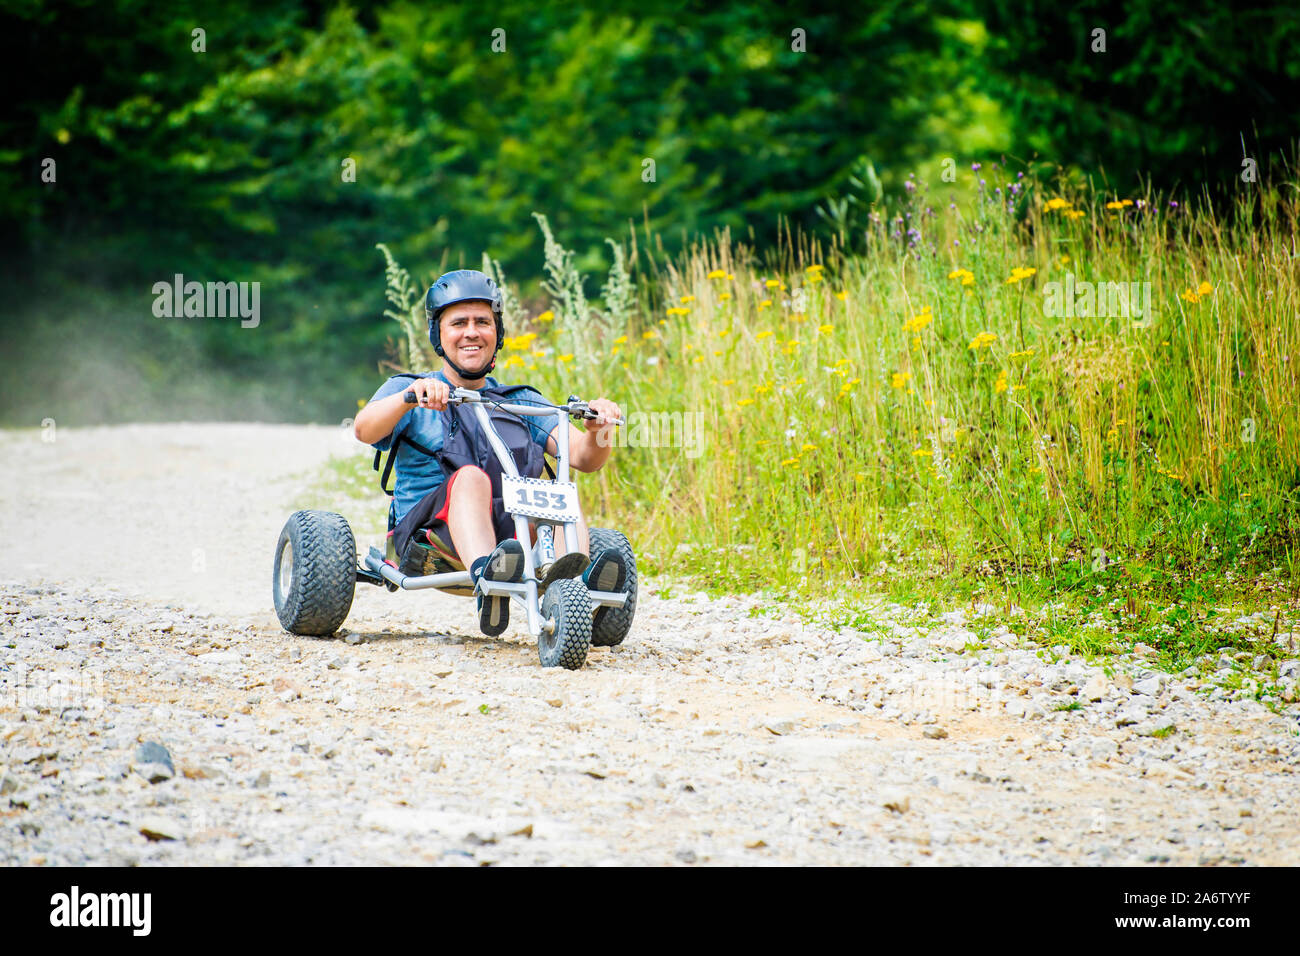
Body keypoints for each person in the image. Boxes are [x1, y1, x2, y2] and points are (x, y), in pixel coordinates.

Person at [353, 269, 626, 636]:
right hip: (431, 535)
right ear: (439, 334)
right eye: (458, 322)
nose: (471, 332)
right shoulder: (410, 389)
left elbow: (583, 458)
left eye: (482, 321)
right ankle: (488, 579)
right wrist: (409, 399)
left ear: (497, 333)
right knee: (469, 478)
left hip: (509, 535)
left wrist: (600, 427)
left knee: (557, 492)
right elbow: (363, 429)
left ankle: (571, 587)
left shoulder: (520, 401)